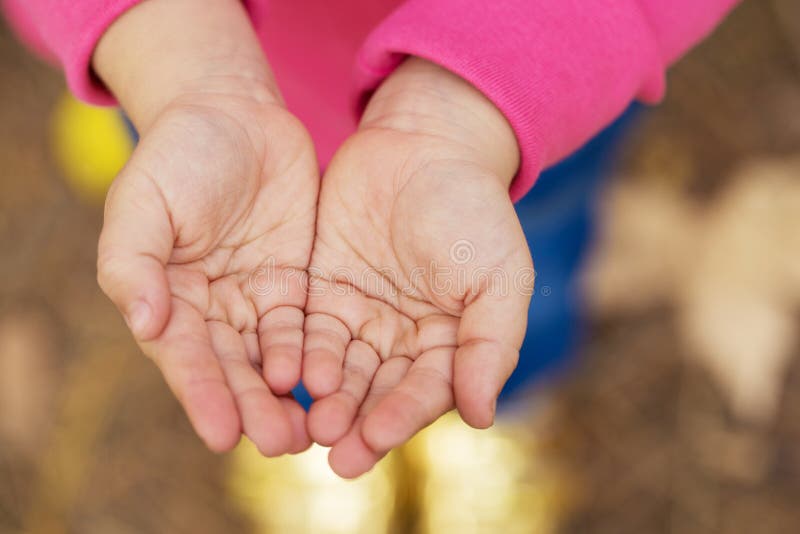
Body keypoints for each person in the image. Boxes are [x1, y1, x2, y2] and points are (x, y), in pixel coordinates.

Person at [3, 0, 739, 478]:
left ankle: (501, 410)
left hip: (520, 102)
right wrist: (179, 61)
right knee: (270, 330)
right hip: (190, 80)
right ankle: (305, 420)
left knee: (512, 281)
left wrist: (469, 103)